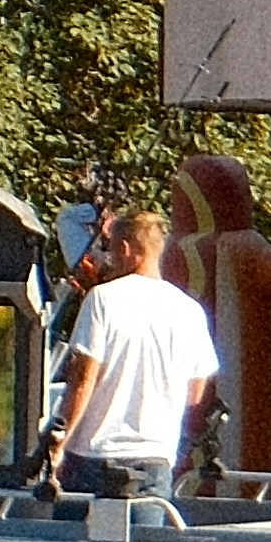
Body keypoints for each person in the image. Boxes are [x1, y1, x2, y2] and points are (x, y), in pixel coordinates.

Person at [39, 196, 221, 500]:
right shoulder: (190, 310)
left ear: (124, 249)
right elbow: (195, 394)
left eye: (111, 250)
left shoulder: (102, 299)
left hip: (93, 457)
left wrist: (57, 446)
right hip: (155, 460)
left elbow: (83, 381)